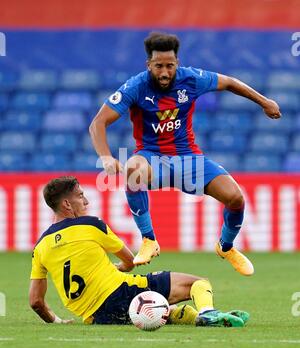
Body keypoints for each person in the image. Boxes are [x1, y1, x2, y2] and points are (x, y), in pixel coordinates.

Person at [89, 31, 281, 275]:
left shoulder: (191, 79)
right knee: (132, 170)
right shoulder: (136, 86)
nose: (165, 72)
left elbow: (231, 82)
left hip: (189, 158)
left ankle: (226, 247)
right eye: (159, 66)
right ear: (149, 64)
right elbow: (98, 122)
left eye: (170, 66)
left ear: (177, 63)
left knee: (236, 199)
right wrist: (105, 156)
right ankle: (149, 240)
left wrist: (264, 101)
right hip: (152, 157)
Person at [29, 176, 249, 328]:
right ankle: (208, 313)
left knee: (161, 311)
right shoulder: (90, 225)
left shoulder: (40, 247)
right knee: (198, 284)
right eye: (80, 196)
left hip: (96, 317)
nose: (86, 201)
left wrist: (57, 322)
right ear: (67, 204)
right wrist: (123, 266)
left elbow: (36, 301)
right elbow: (129, 260)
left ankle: (205, 318)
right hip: (120, 292)